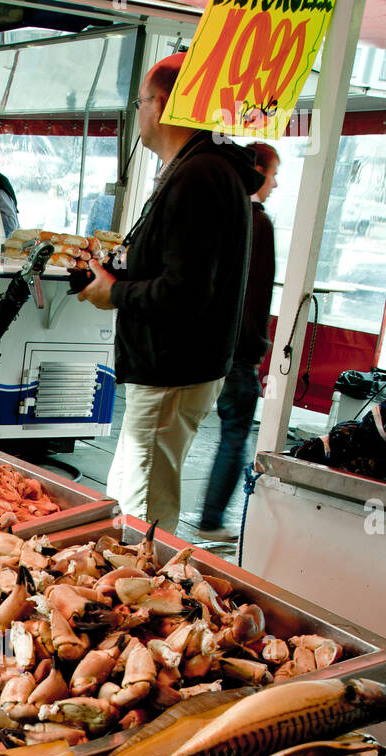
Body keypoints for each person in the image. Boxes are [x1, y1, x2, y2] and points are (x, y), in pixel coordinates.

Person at [78, 54, 263, 534]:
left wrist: (113, 295)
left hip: (172, 370)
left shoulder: (199, 176)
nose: (137, 112)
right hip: (177, 371)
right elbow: (176, 264)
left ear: (160, 103)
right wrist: (113, 268)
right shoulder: (206, 170)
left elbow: (185, 291)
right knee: (133, 493)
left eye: (139, 102)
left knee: (143, 509)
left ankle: (143, 598)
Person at [196, 142, 279, 540]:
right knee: (235, 436)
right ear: (258, 170)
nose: (275, 184)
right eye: (274, 174)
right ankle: (211, 519)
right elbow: (255, 295)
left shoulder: (219, 216)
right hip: (238, 352)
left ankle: (208, 516)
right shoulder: (257, 222)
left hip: (212, 347)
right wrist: (252, 349)